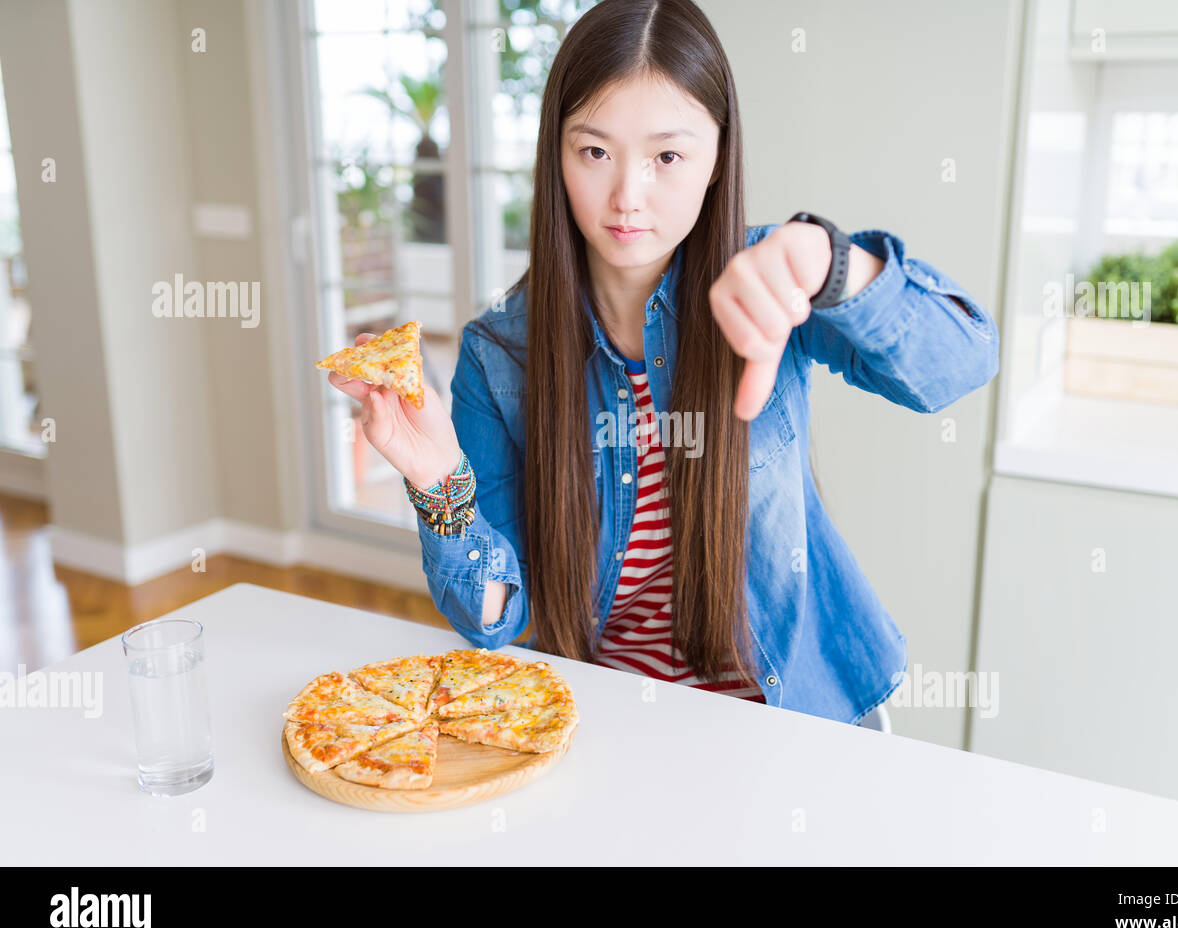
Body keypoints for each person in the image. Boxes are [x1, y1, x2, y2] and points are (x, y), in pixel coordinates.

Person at [328, 0, 999, 727]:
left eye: (667, 157)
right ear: (556, 153)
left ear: (717, 157)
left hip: (798, 723)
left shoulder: (771, 282)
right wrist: (435, 479)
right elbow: (497, 617)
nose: (627, 196)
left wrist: (831, 262)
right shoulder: (499, 355)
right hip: (621, 731)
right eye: (595, 152)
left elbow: (960, 362)